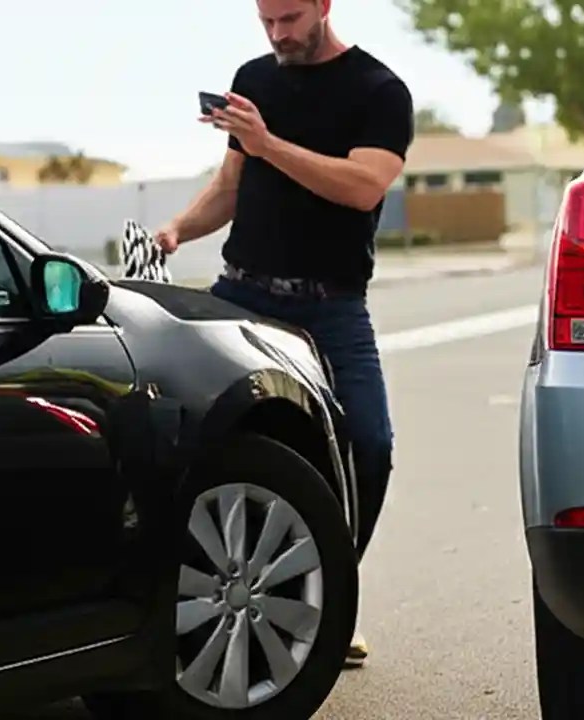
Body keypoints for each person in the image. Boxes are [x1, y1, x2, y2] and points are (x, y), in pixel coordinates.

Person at [154, 0, 414, 668]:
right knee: (202, 441)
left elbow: (362, 187)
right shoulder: (254, 78)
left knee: (369, 446)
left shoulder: (380, 92)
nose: (279, 34)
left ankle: (321, 598)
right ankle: (193, 602)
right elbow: (232, 186)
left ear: (325, 5)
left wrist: (269, 142)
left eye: (291, 17)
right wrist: (179, 229)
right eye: (267, 20)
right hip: (242, 293)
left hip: (331, 308)